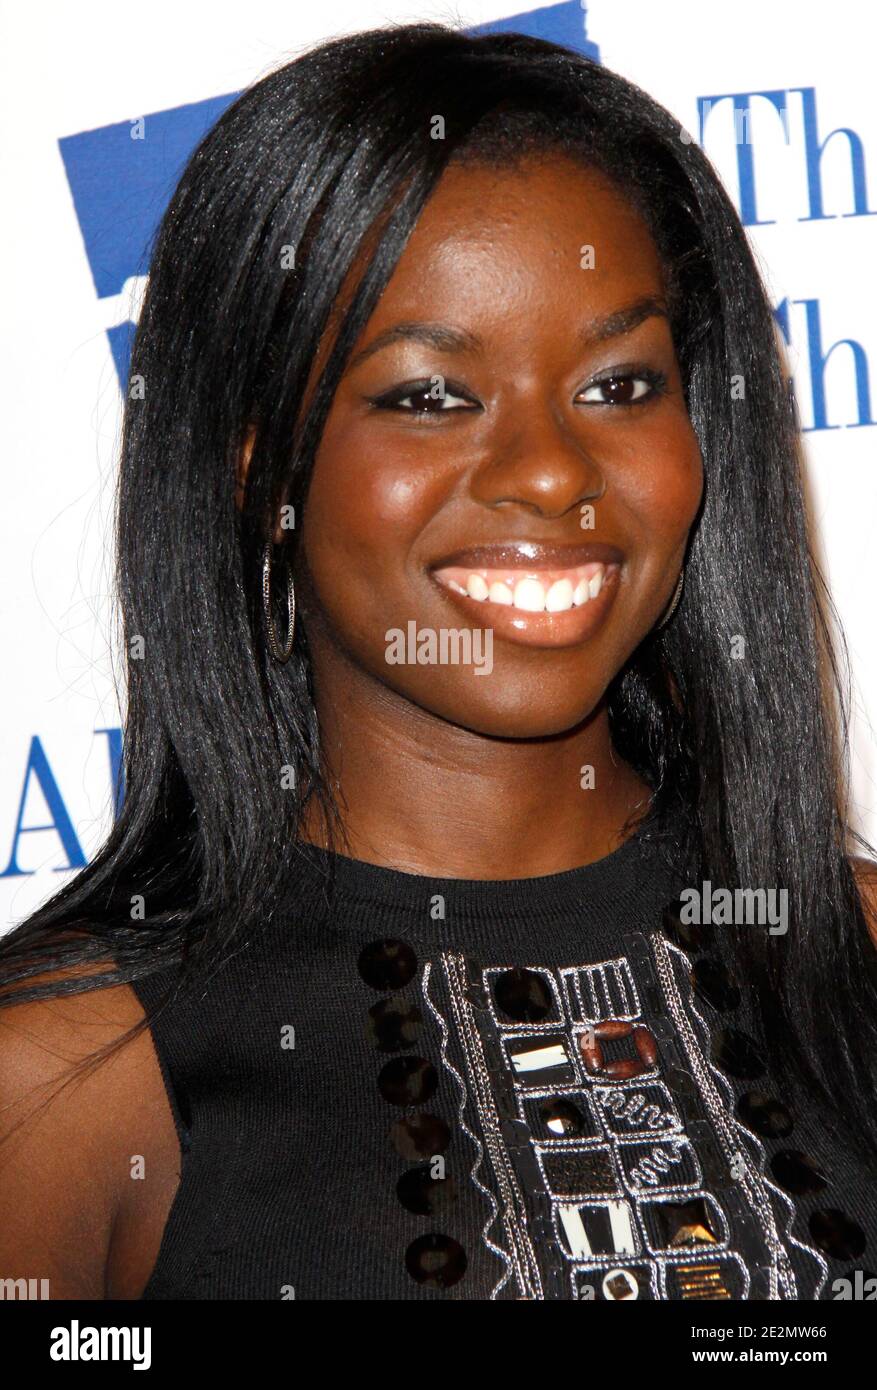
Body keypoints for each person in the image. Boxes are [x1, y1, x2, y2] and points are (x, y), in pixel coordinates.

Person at [1, 21, 876, 1302]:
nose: (547, 471)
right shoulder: (65, 1076)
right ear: (258, 469)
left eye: (621, 384)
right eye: (429, 395)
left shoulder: (853, 944)